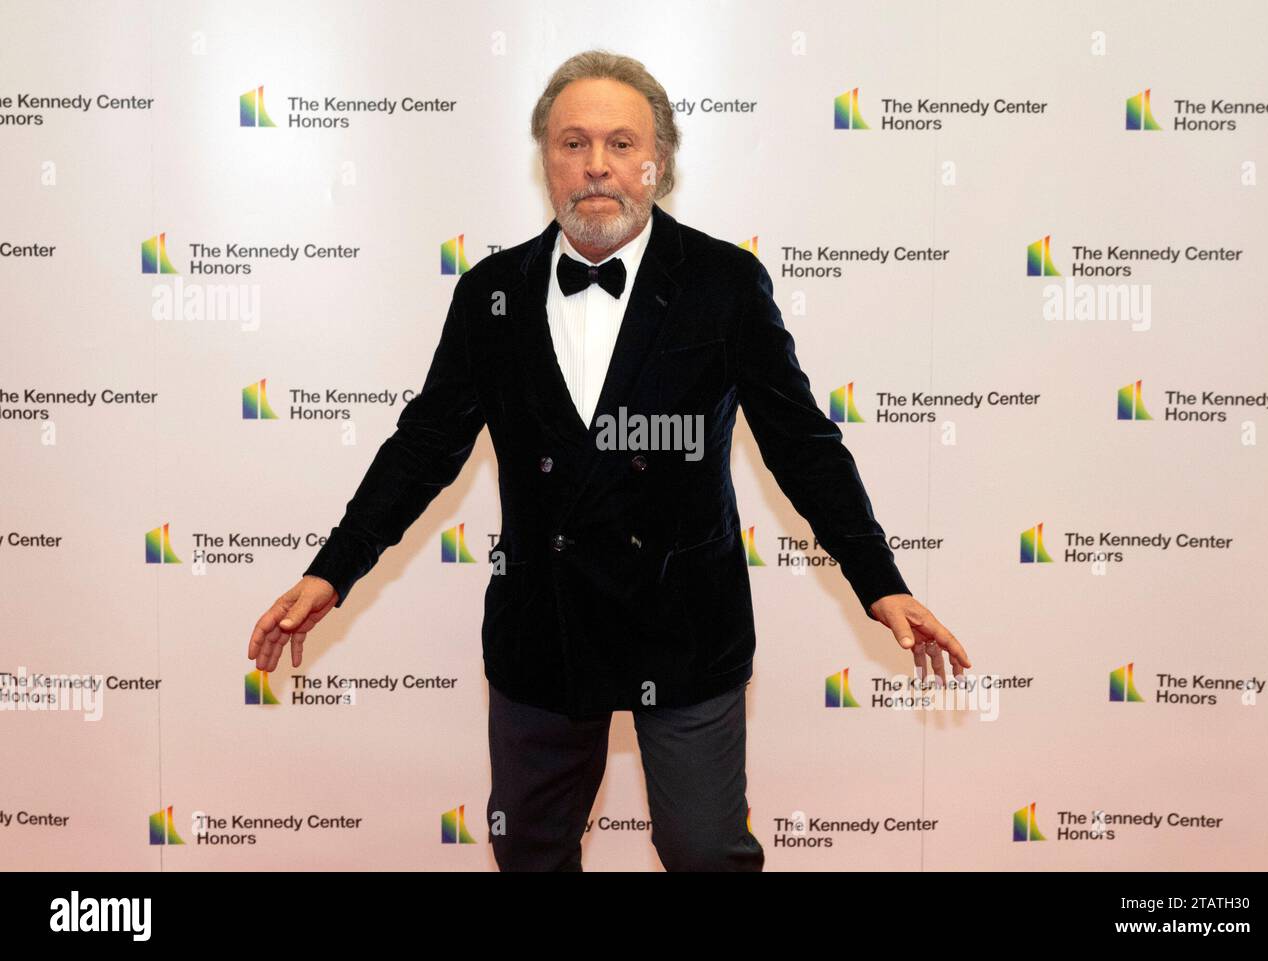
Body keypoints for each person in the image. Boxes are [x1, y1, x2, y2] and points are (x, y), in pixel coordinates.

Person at [247, 49, 971, 871]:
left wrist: (880, 581)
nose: (597, 166)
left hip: (686, 627)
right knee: (532, 853)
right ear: (545, 161)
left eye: (622, 144)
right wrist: (332, 570)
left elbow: (802, 444)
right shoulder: (492, 293)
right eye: (573, 143)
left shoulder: (724, 283)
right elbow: (423, 447)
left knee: (705, 851)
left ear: (659, 161)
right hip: (542, 630)